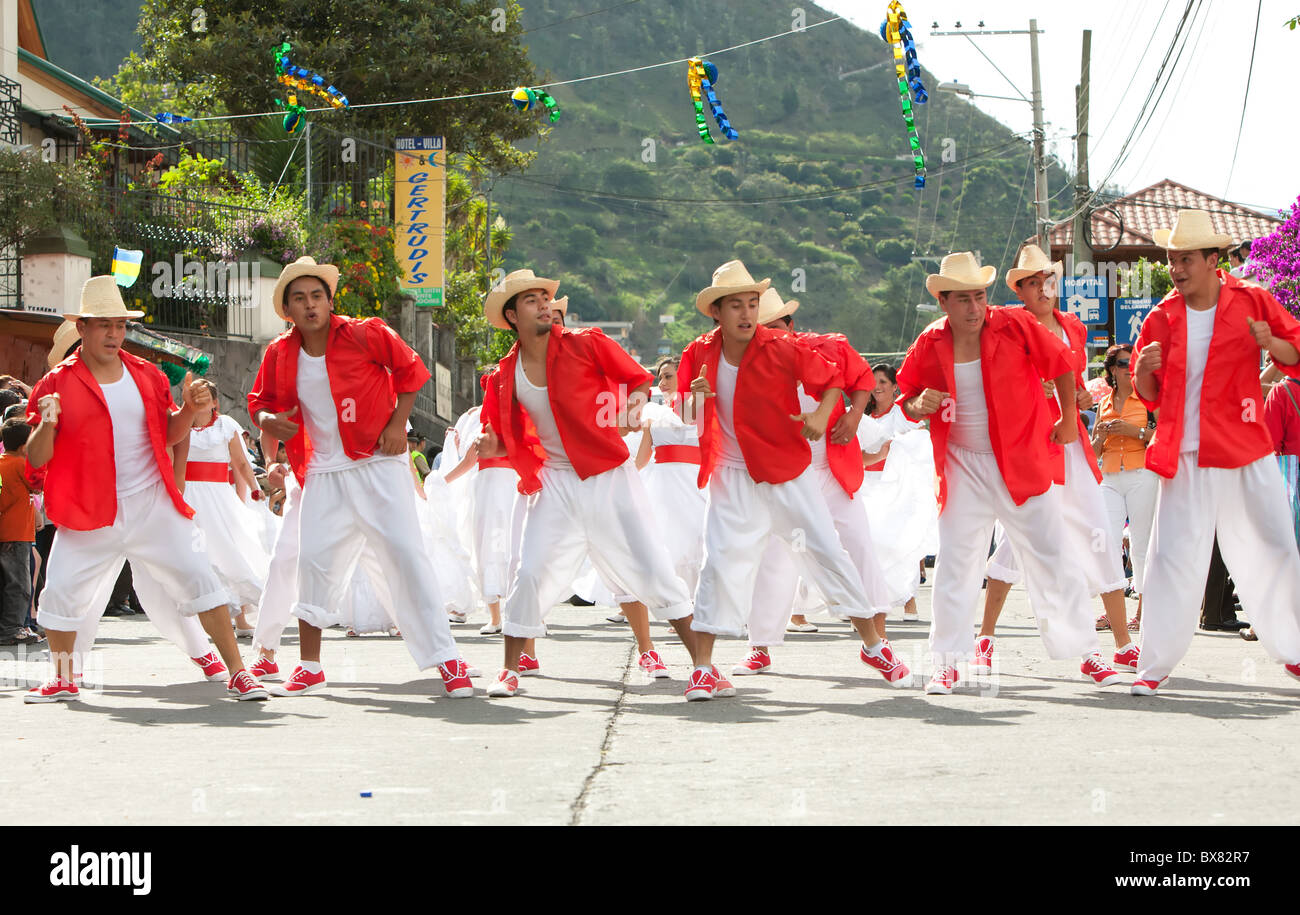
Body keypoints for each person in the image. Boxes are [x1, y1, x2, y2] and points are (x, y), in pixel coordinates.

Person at [23, 276, 266, 702]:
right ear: (82, 328)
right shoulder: (56, 384)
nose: (114, 334)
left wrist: (189, 410)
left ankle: (238, 673)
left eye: (120, 325)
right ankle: (62, 678)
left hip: (152, 505)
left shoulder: (147, 375)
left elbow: (168, 434)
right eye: (104, 325)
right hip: (89, 510)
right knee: (59, 590)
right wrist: (48, 424)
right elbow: (37, 457)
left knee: (199, 578)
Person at [675, 261, 911, 699]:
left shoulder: (783, 347)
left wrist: (824, 415)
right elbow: (685, 413)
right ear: (716, 313)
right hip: (731, 475)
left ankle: (874, 646)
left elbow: (834, 381)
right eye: (737, 306)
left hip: (787, 472)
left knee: (826, 551)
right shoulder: (698, 354)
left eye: (752, 304)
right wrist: (694, 400)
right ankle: (704, 668)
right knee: (720, 563)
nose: (747, 314)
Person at [895, 252, 1124, 695]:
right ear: (944, 302)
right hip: (963, 463)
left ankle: (1087, 653)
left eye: (979, 297)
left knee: (1052, 553)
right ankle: (946, 662)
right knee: (957, 561)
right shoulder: (931, 341)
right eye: (962, 299)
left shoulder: (1014, 325)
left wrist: (1065, 417)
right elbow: (905, 396)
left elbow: (1061, 363)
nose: (974, 308)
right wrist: (916, 405)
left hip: (1019, 458)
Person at [247, 256, 471, 698]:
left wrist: (396, 426)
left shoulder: (367, 332)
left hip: (376, 462)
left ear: (330, 301)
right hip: (323, 471)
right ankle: (309, 665)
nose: (310, 305)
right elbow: (259, 402)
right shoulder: (280, 352)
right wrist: (269, 419)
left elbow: (411, 372)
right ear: (287, 310)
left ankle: (447, 658)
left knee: (405, 554)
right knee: (312, 562)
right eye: (299, 299)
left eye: (317, 296)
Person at [476, 269, 703, 697]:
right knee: (530, 573)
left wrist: (635, 403)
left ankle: (704, 666)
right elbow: (497, 432)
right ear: (511, 315)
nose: (544, 305)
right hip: (556, 483)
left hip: (608, 476)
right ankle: (509, 670)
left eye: (546, 298)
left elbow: (637, 377)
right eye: (531, 301)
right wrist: (490, 445)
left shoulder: (585, 342)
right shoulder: (506, 372)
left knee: (653, 569)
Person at [1131, 209, 1300, 693]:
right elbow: (1150, 394)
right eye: (1171, 260)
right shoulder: (1161, 316)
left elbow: (1295, 355)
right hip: (1184, 453)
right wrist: (1144, 366)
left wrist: (1272, 344)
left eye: (1185, 259)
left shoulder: (1253, 301)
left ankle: (1294, 650)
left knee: (1275, 547)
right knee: (1171, 558)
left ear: (1212, 260)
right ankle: (1153, 667)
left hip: (1247, 447)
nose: (1176, 269)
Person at [975, 245, 1138, 674]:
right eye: (1032, 283)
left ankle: (1121, 643)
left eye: (1047, 280)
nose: (1042, 289)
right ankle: (985, 638)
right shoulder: (1009, 328)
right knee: (1016, 542)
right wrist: (1033, 390)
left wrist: (1079, 396)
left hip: (1072, 444)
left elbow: (1076, 380)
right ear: (1021, 290)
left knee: (1099, 533)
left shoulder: (1074, 327)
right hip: (1030, 445)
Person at [730, 286, 896, 677]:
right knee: (776, 556)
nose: (768, 334)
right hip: (786, 476)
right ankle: (760, 646)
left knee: (857, 543)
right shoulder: (750, 360)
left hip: (832, 471)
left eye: (775, 326)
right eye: (761, 328)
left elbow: (861, 380)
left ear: (791, 324)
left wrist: (854, 416)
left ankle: (879, 637)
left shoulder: (830, 347)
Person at [186, 380, 268, 637]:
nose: (199, 401)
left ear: (214, 402)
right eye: (194, 396)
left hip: (218, 497)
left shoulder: (226, 425)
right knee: (198, 557)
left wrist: (254, 487)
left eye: (204, 397)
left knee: (229, 553)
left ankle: (242, 619)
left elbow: (241, 463)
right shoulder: (179, 424)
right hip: (187, 495)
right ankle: (203, 623)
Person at [1090, 344, 1156, 633]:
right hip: (1109, 475)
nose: (1128, 368)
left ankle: (1143, 611)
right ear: (1112, 370)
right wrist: (1100, 437)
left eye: (1132, 362)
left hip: (1142, 472)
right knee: (1106, 543)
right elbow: (1093, 451)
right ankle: (1112, 612)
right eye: (1122, 363)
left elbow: (1161, 436)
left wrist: (1134, 432)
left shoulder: (1148, 399)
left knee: (1141, 545)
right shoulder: (1103, 404)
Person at [0, 418, 40, 646]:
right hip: (17, 533)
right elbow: (37, 485)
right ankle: (12, 629)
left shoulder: (2, 461)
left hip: (7, 532)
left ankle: (9, 627)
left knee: (7, 583)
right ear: (26, 447)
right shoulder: (19, 464)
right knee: (20, 585)